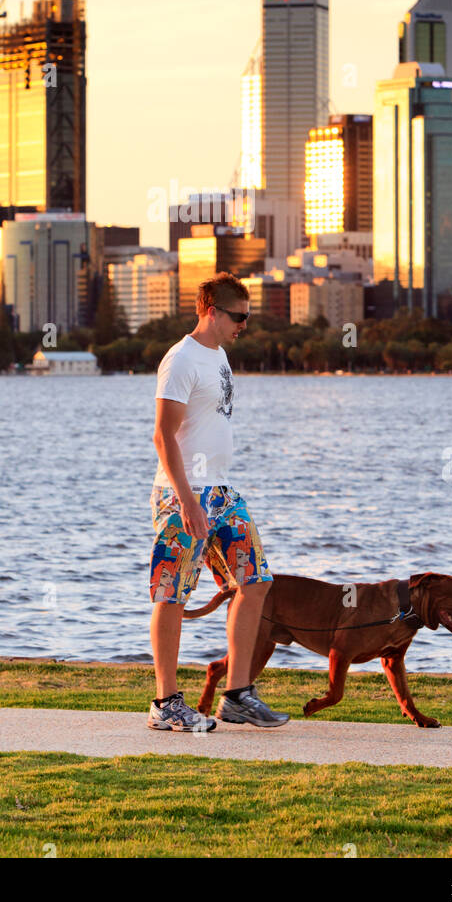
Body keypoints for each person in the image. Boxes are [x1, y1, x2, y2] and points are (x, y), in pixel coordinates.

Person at [147, 271, 289, 732]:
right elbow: (163, 436)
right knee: (172, 593)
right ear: (212, 311)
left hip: (223, 491)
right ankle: (165, 703)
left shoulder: (220, 356)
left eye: (247, 317)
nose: (243, 325)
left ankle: (238, 695)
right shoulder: (181, 360)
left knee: (257, 581)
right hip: (182, 493)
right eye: (238, 317)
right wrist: (187, 502)